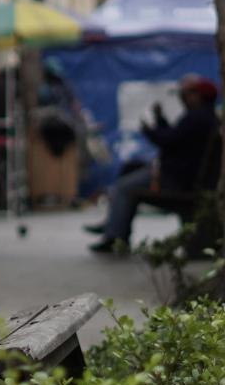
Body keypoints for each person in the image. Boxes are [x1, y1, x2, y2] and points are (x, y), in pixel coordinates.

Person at [86, 75, 220, 253]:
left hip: (175, 179)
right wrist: (160, 120)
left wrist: (149, 130)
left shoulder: (197, 118)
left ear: (198, 96)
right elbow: (176, 137)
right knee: (130, 168)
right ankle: (113, 223)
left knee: (122, 187)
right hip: (176, 173)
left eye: (185, 94)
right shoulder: (201, 117)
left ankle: (114, 235)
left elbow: (169, 140)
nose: (182, 99)